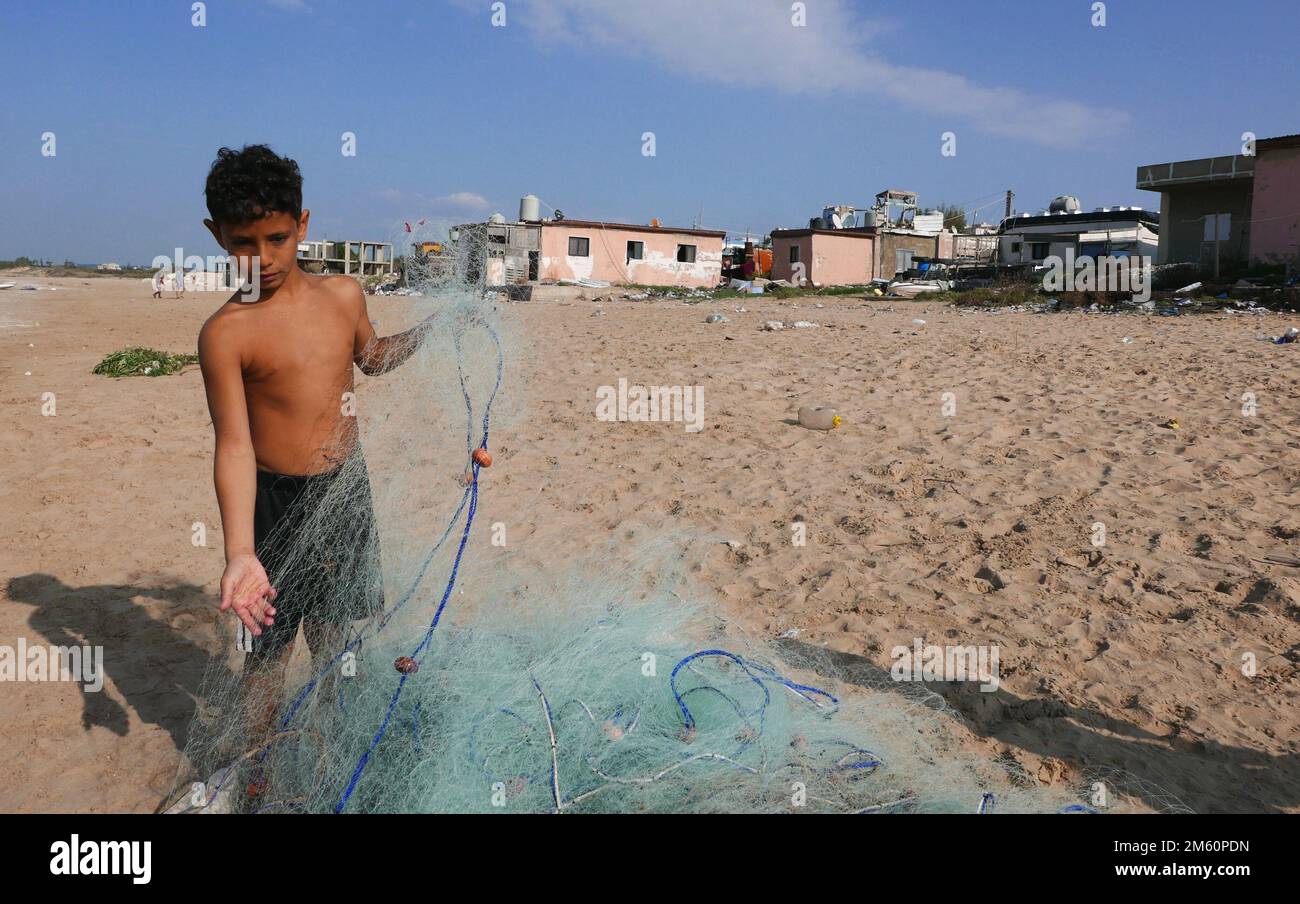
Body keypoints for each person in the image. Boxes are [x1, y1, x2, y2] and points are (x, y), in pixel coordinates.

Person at [196, 144, 430, 800]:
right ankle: (257, 782)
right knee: (266, 663)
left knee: (338, 644)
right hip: (276, 502)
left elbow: (375, 358)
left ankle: (342, 765)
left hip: (345, 491)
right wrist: (241, 552)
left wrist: (437, 330)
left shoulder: (343, 295)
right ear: (214, 236)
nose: (261, 259)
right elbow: (235, 447)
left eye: (276, 238)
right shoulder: (226, 333)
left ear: (302, 224)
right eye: (243, 242)